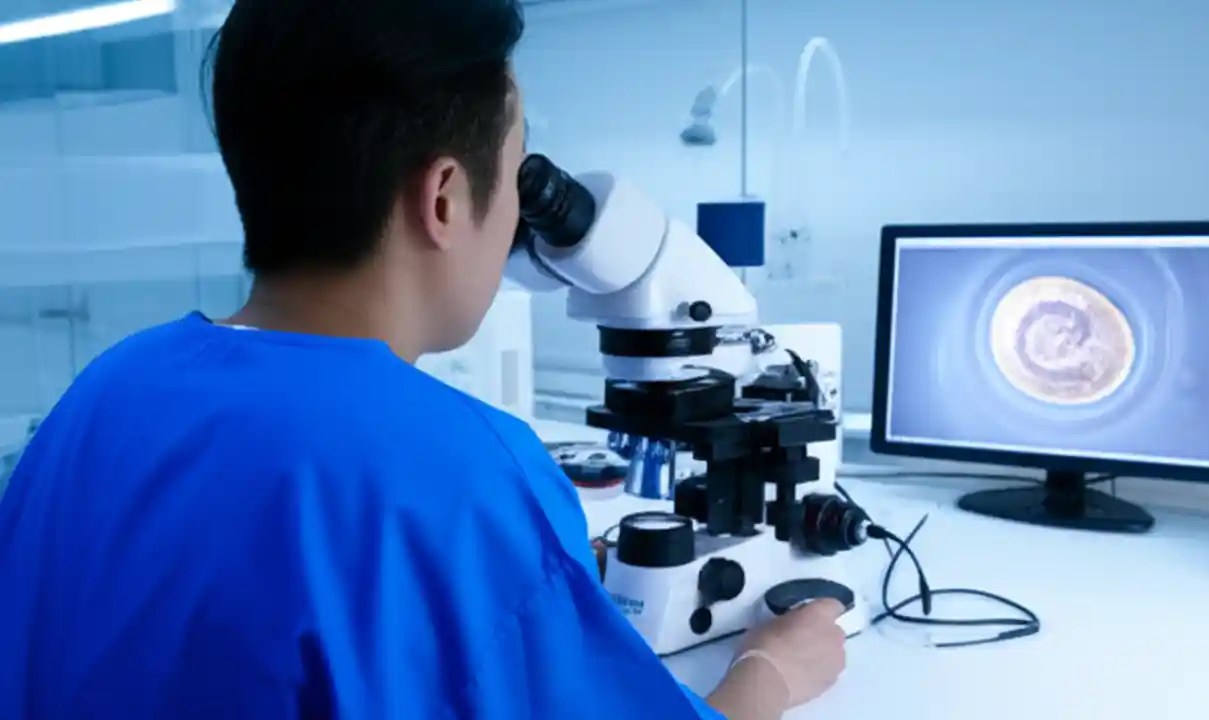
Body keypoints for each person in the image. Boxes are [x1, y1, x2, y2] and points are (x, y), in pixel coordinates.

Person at [0, 1, 849, 718]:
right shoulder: (456, 475)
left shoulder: (103, 393)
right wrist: (769, 673)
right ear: (443, 198)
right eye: (513, 177)